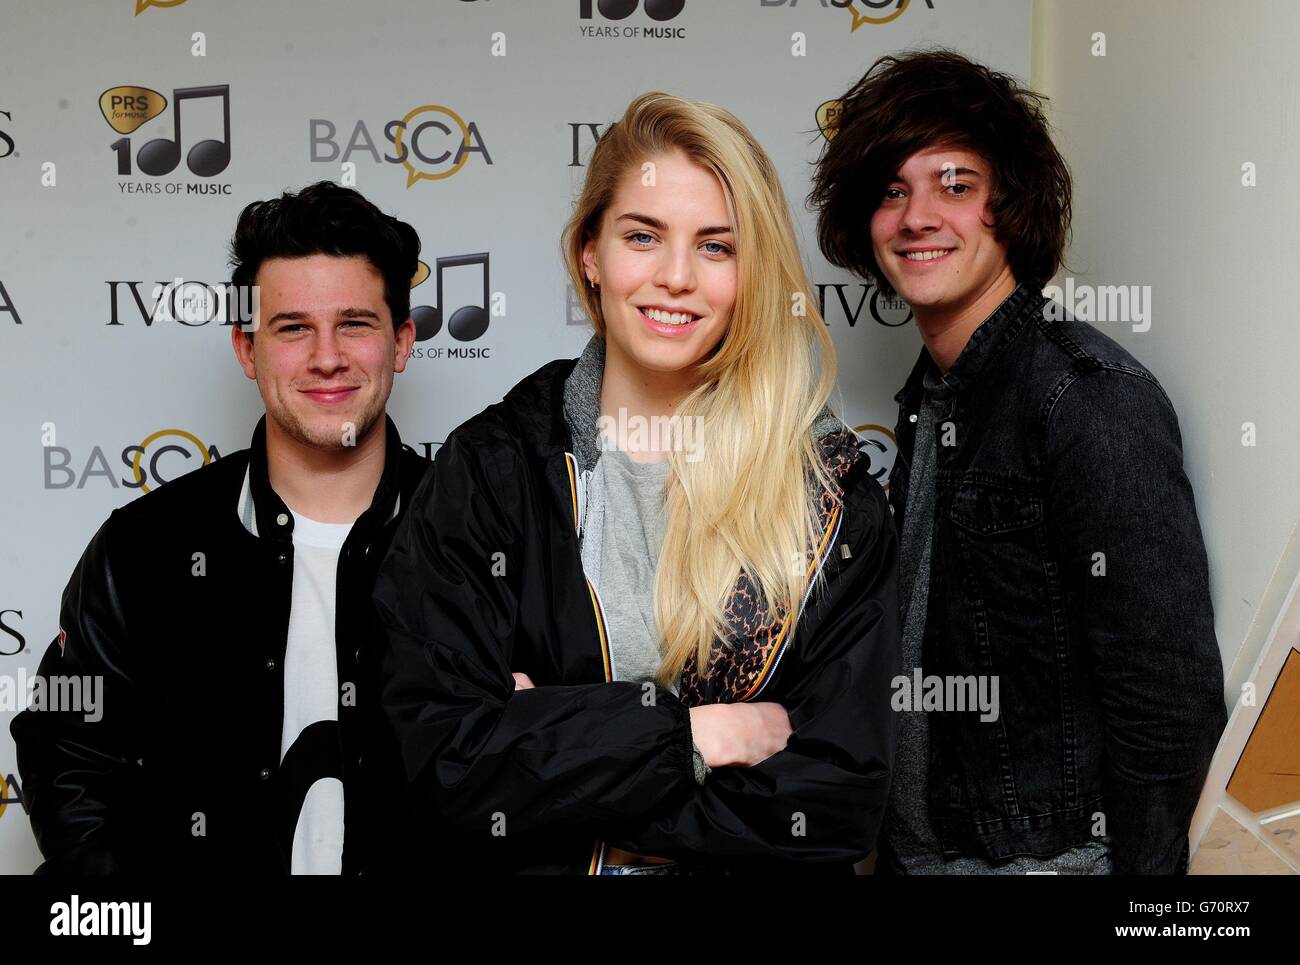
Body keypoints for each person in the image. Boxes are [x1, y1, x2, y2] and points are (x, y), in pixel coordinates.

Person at [374, 91, 900, 874]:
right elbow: (444, 761)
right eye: (643, 236)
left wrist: (549, 732)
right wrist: (693, 736)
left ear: (752, 273)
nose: (676, 276)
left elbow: (828, 803)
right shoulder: (493, 468)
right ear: (591, 252)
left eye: (717, 246)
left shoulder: (827, 496)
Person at [809, 49, 1227, 874]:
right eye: (892, 190)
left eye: (955, 184)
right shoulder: (932, 394)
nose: (918, 216)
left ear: (1012, 204)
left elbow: (1169, 698)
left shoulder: (1086, 398)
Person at [10, 181, 433, 874]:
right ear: (246, 348)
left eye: (355, 323)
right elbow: (68, 752)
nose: (327, 356)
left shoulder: (480, 541)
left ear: (402, 341)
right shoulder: (144, 547)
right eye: (293, 327)